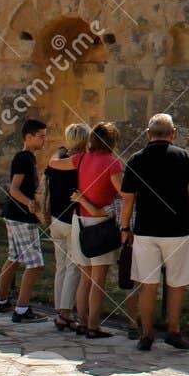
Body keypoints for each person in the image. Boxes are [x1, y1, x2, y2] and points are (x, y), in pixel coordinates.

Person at [119, 113, 189, 351]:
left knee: (148, 284)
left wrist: (125, 227)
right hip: (176, 230)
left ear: (148, 134)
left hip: (146, 230)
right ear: (173, 133)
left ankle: (146, 334)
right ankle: (173, 330)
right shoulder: (182, 157)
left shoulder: (136, 160)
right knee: (176, 283)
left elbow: (127, 199)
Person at [70, 121, 123, 339]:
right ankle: (93, 326)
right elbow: (124, 192)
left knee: (85, 277)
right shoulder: (113, 163)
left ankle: (81, 322)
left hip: (80, 220)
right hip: (100, 223)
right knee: (98, 280)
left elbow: (55, 163)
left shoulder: (79, 158)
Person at [0, 118, 48, 323]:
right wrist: (30, 204)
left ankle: (1, 300)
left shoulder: (28, 158)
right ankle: (22, 308)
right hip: (22, 217)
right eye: (41, 136)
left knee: (14, 257)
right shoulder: (24, 158)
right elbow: (14, 189)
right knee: (35, 264)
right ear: (29, 137)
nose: (44, 140)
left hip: (13, 214)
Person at [42, 123, 87, 332]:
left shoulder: (56, 161)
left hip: (56, 217)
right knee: (73, 267)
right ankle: (66, 313)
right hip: (72, 218)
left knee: (60, 266)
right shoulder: (79, 163)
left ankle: (59, 309)